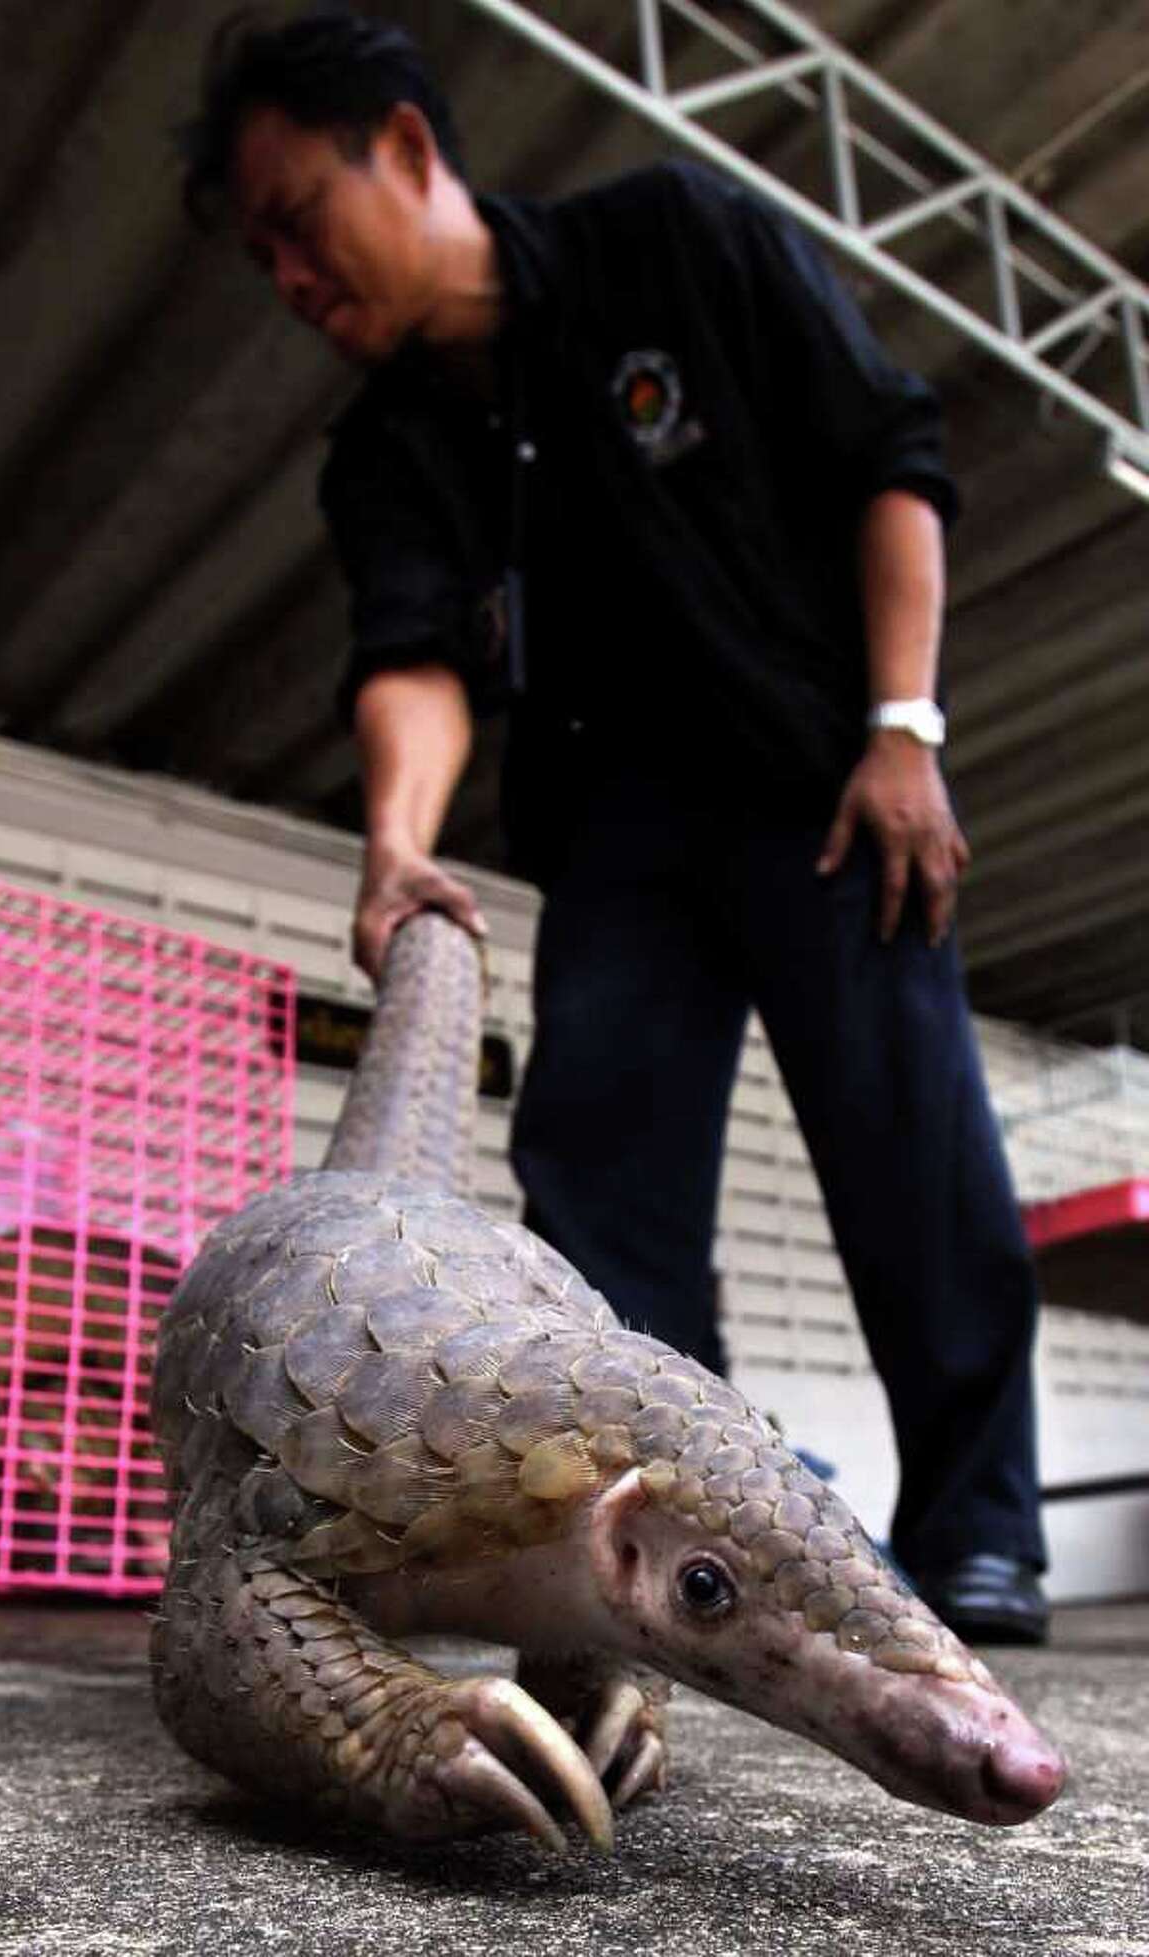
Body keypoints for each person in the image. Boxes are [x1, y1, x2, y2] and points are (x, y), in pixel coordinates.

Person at [183, 5, 1049, 1643]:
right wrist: (397, 841)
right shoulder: (388, 453)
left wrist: (905, 728)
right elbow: (416, 659)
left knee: (916, 1158)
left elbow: (889, 456)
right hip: (610, 852)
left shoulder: (674, 241)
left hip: (821, 786)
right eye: (264, 259)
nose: (290, 278)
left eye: (299, 220)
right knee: (599, 1193)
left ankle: (982, 1530)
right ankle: (657, 1545)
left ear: (408, 147)